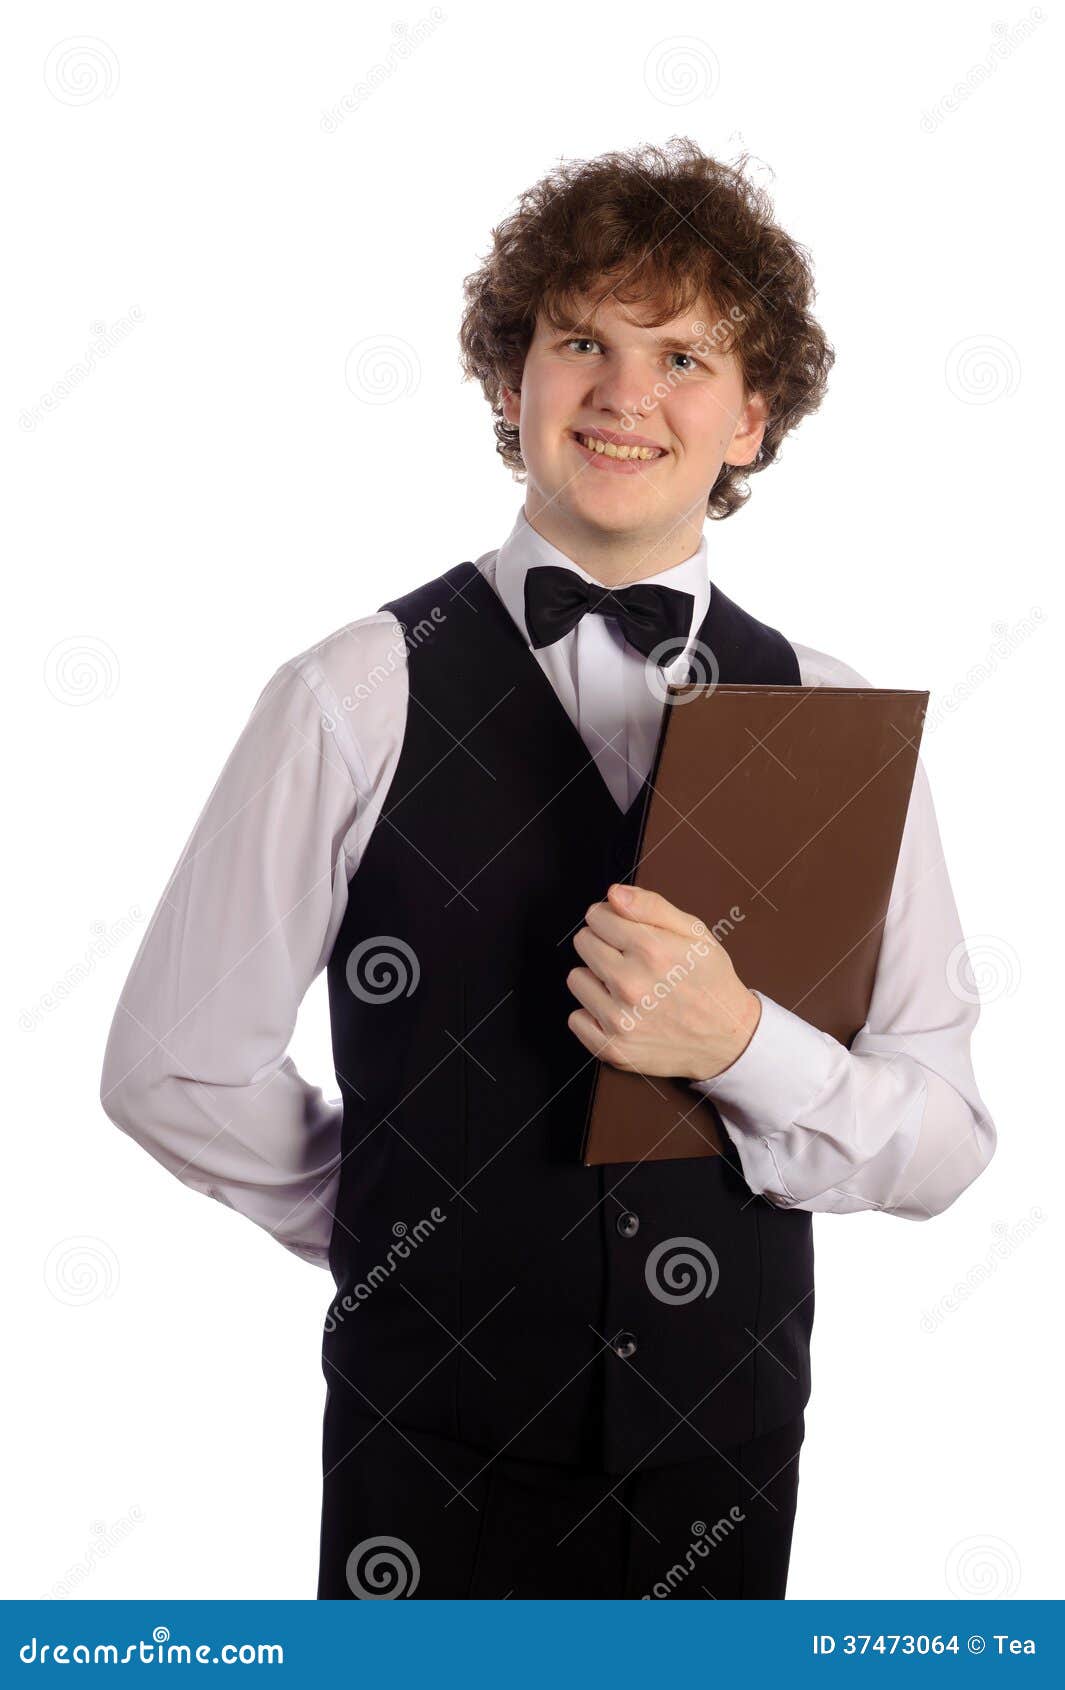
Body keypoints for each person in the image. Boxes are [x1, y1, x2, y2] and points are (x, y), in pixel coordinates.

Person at [99, 138, 996, 1599]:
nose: (626, 393)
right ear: (512, 386)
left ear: (753, 417)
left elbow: (946, 1140)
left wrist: (745, 1046)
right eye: (581, 341)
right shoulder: (352, 693)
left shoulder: (833, 724)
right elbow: (172, 1066)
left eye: (684, 356)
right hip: (429, 1468)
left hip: (728, 1466)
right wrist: (397, 1233)